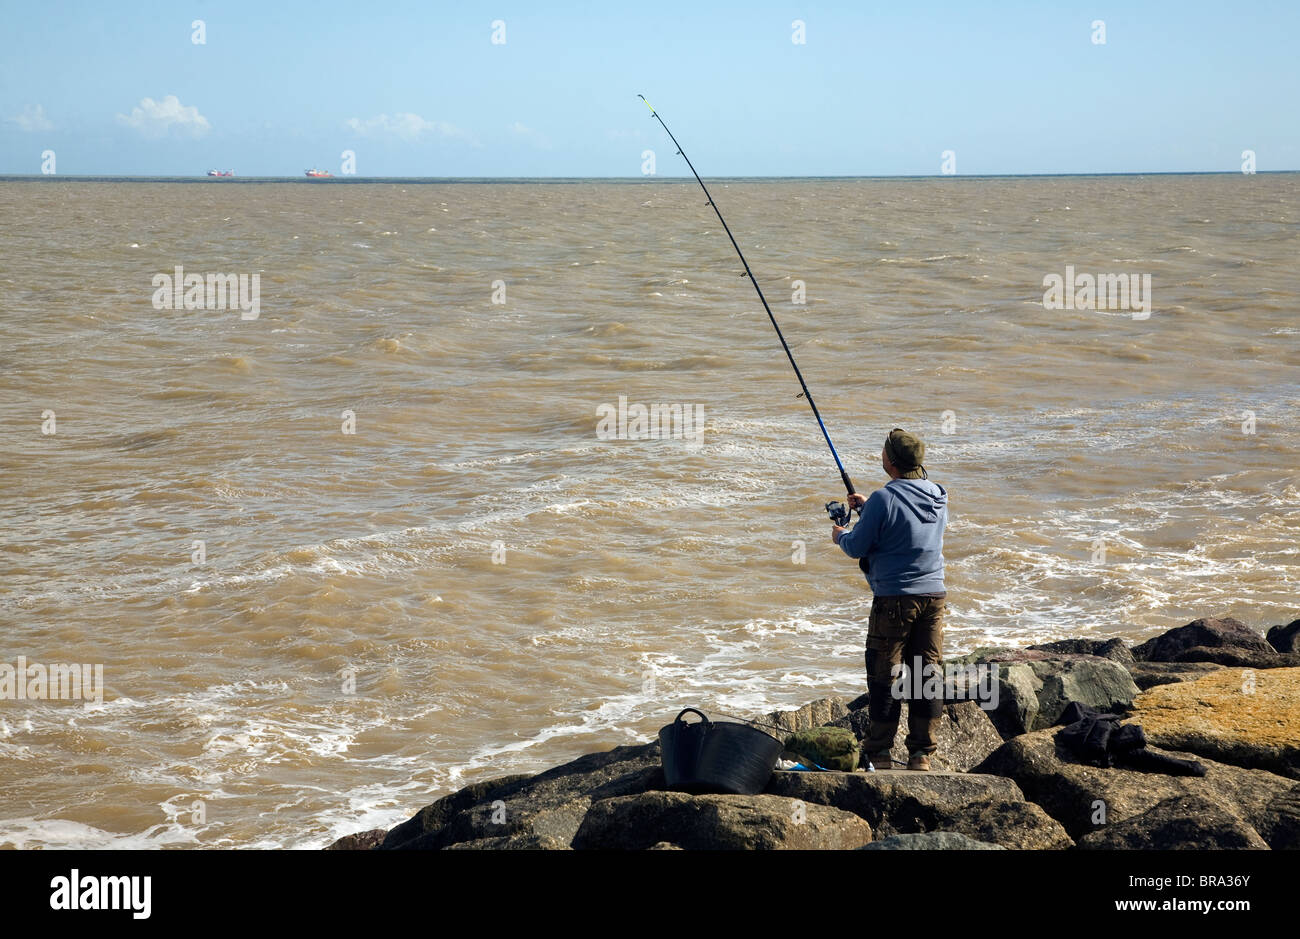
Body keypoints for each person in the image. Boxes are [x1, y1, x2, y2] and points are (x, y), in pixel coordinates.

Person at [831, 428, 948, 771]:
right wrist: (870, 508)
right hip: (934, 596)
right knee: (927, 673)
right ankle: (921, 755)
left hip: (894, 599)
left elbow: (857, 547)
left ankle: (880, 753)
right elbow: (912, 527)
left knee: (884, 676)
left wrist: (840, 535)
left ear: (890, 462)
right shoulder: (939, 494)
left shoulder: (884, 498)